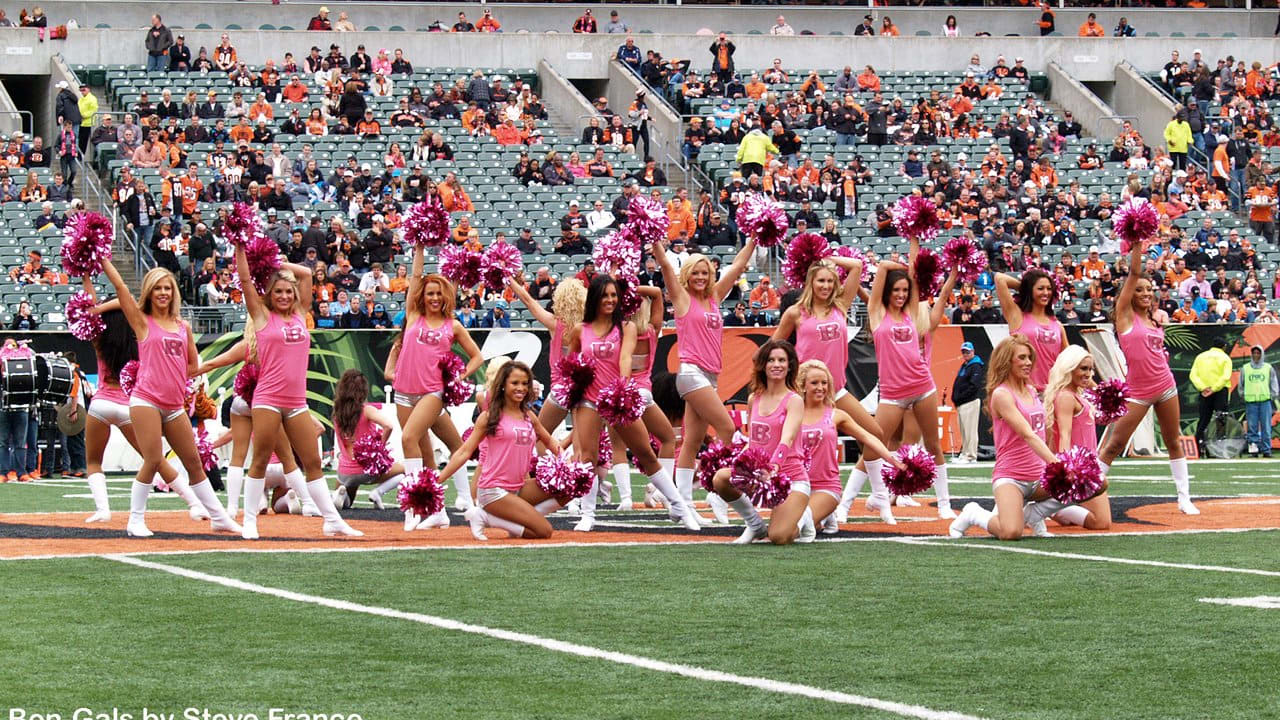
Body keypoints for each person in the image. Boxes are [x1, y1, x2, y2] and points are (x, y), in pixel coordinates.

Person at [99, 259, 238, 537]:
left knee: (194, 462)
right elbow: (121, 287)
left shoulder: (182, 327)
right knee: (152, 459)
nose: (163, 293)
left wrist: (214, 365)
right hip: (146, 400)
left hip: (174, 405)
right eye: (158, 288)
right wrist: (102, 257)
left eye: (168, 288)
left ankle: (219, 517)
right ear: (149, 292)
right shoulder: (141, 321)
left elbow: (190, 366)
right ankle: (135, 520)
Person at [233, 243, 362, 539]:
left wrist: (275, 262)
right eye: (277, 291)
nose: (284, 296)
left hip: (296, 402)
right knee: (261, 458)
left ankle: (332, 519)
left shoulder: (301, 312)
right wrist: (244, 250)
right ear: (269, 294)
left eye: (288, 291)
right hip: (267, 399)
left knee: (313, 462)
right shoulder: (262, 317)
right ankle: (250, 520)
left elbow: (305, 273)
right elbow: (244, 281)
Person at [566, 276, 696, 532]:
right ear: (595, 298)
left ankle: (678, 505)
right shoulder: (581, 330)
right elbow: (571, 363)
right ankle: (588, 514)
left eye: (614, 295)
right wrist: (572, 390)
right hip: (588, 401)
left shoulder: (626, 327)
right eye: (605, 295)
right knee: (588, 457)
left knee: (646, 453)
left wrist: (621, 388)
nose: (610, 300)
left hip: (616, 398)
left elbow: (625, 358)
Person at [652, 228, 756, 528]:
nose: (700, 277)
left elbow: (736, 267)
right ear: (688, 274)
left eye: (705, 272)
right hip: (691, 373)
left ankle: (681, 504)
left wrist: (752, 240)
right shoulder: (682, 298)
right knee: (726, 428)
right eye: (695, 272)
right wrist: (655, 241)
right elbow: (666, 267)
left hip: (709, 376)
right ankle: (719, 494)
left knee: (693, 440)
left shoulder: (713, 298)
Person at [77, 279, 202, 523]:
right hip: (129, 406)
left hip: (100, 405)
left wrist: (88, 281)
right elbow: (131, 303)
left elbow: (88, 308)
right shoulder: (140, 338)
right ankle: (194, 503)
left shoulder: (99, 340)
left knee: (93, 461)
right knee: (154, 460)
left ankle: (103, 510)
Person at [1099, 241, 1198, 515]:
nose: (1145, 293)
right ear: (1130, 295)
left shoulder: (1155, 320)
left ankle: (1184, 498)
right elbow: (1133, 274)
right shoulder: (1125, 317)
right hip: (1138, 391)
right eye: (1140, 290)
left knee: (1172, 441)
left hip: (1165, 386)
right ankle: (1088, 489)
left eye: (1149, 290)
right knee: (1115, 444)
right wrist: (1139, 245)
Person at [391, 240, 483, 528]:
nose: (433, 297)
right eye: (429, 293)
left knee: (407, 439)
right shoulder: (414, 315)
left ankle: (413, 507)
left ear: (446, 297)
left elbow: (477, 357)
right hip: (403, 392)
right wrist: (419, 248)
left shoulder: (452, 326)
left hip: (432, 393)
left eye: (438, 294)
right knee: (427, 448)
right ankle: (438, 511)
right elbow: (415, 278)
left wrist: (459, 377)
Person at [949, 336, 1073, 540]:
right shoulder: (1002, 394)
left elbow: (1042, 431)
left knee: (1089, 482)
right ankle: (974, 513)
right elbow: (1027, 434)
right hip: (1013, 477)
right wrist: (1057, 464)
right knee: (1011, 532)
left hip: (1039, 477)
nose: (1028, 363)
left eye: (1029, 357)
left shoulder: (1031, 390)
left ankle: (1034, 515)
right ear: (1007, 361)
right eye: (1022, 358)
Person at [866, 245, 955, 521]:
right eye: (896, 291)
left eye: (906, 291)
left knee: (931, 445)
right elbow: (883, 269)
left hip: (921, 385)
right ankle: (878, 497)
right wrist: (902, 266)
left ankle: (944, 504)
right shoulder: (877, 312)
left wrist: (915, 245)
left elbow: (918, 281)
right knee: (877, 443)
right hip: (893, 391)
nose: (902, 295)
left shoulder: (914, 314)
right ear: (887, 293)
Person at [195, 340, 320, 520]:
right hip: (268, 400)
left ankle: (231, 508)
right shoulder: (279, 343)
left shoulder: (248, 345)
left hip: (243, 399)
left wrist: (187, 373)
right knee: (287, 458)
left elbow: (213, 363)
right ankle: (308, 503)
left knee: (237, 457)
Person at [439, 361, 561, 541]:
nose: (521, 388)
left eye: (525, 383)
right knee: (543, 531)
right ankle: (485, 517)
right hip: (494, 491)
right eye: (515, 383)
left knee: (566, 488)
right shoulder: (489, 417)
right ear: (503, 385)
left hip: (519, 487)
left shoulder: (529, 416)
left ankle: (516, 517)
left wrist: (569, 463)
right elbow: (464, 451)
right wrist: (437, 481)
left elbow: (549, 440)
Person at [709, 340, 812, 544]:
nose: (777, 364)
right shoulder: (753, 399)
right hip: (759, 474)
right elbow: (754, 441)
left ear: (790, 365)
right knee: (721, 478)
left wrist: (772, 468)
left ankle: (804, 518)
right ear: (763, 365)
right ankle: (755, 525)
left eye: (782, 360)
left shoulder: (794, 400)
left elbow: (787, 438)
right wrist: (738, 463)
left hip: (789, 478)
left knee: (779, 537)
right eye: (771, 360)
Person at [796, 359, 899, 533]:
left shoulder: (837, 415)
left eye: (824, 383)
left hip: (825, 486)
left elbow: (869, 437)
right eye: (814, 383)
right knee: (777, 532)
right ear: (803, 386)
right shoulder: (792, 414)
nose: (820, 387)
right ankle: (824, 517)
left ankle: (824, 510)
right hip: (797, 485)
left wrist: (892, 460)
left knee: (793, 529)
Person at [603, 285, 676, 513]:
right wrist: (633, 286)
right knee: (667, 439)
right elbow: (656, 293)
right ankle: (663, 493)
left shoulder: (615, 331)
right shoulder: (652, 330)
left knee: (617, 446)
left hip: (620, 392)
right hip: (643, 394)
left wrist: (619, 285)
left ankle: (625, 498)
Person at [509, 274, 586, 438]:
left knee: (539, 435)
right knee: (582, 436)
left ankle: (550, 461)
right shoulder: (590, 326)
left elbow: (528, 301)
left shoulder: (555, 324)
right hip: (585, 389)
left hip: (561, 389)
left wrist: (509, 279)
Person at [1043, 346, 1111, 530]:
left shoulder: (1079, 394)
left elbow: (1106, 417)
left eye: (1090, 369)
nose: (1088, 373)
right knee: (1101, 522)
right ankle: (1051, 509)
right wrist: (1066, 467)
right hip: (1079, 467)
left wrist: (1092, 384)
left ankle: (1057, 509)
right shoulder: (1065, 396)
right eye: (1083, 368)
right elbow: (1064, 434)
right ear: (1069, 368)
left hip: (1089, 464)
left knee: (1103, 522)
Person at [331, 369, 408, 511]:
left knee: (346, 504)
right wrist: (379, 448)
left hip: (345, 471)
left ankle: (340, 495)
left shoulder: (337, 412)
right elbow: (388, 426)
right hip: (367, 469)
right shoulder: (367, 410)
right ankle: (377, 492)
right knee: (406, 470)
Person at [995, 270, 1065, 392]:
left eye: (1049, 289)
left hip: (1053, 393)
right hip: (1024, 391)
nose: (1046, 293)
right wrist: (1025, 288)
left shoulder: (1058, 326)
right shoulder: (1016, 316)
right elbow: (1000, 278)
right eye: (1040, 288)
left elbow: (1071, 360)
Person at [1189, 338, 1233, 457]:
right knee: (1220, 421)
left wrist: (1203, 388)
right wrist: (1214, 388)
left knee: (1203, 420)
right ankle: (1217, 450)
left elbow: (1193, 375)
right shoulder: (1225, 358)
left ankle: (1198, 449)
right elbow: (1226, 376)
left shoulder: (1201, 356)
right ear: (1223, 346)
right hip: (1220, 392)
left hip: (1204, 392)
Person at [952, 341, 985, 464]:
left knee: (970, 430)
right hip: (962, 403)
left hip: (969, 402)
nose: (965, 354)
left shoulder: (975, 366)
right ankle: (965, 453)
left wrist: (961, 397)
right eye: (963, 352)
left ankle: (971, 455)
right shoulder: (966, 365)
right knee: (964, 430)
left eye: (967, 351)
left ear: (973, 352)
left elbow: (974, 386)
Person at [1241, 345, 1277, 458]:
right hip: (1251, 401)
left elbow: (1273, 382)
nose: (1256, 355)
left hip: (1265, 401)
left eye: (1258, 353)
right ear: (1251, 355)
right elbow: (1241, 385)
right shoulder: (1245, 368)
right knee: (1252, 427)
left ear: (1262, 354)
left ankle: (1267, 450)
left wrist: (1273, 394)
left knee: (1266, 427)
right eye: (1254, 353)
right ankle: (1253, 450)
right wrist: (1243, 395)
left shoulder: (1268, 367)